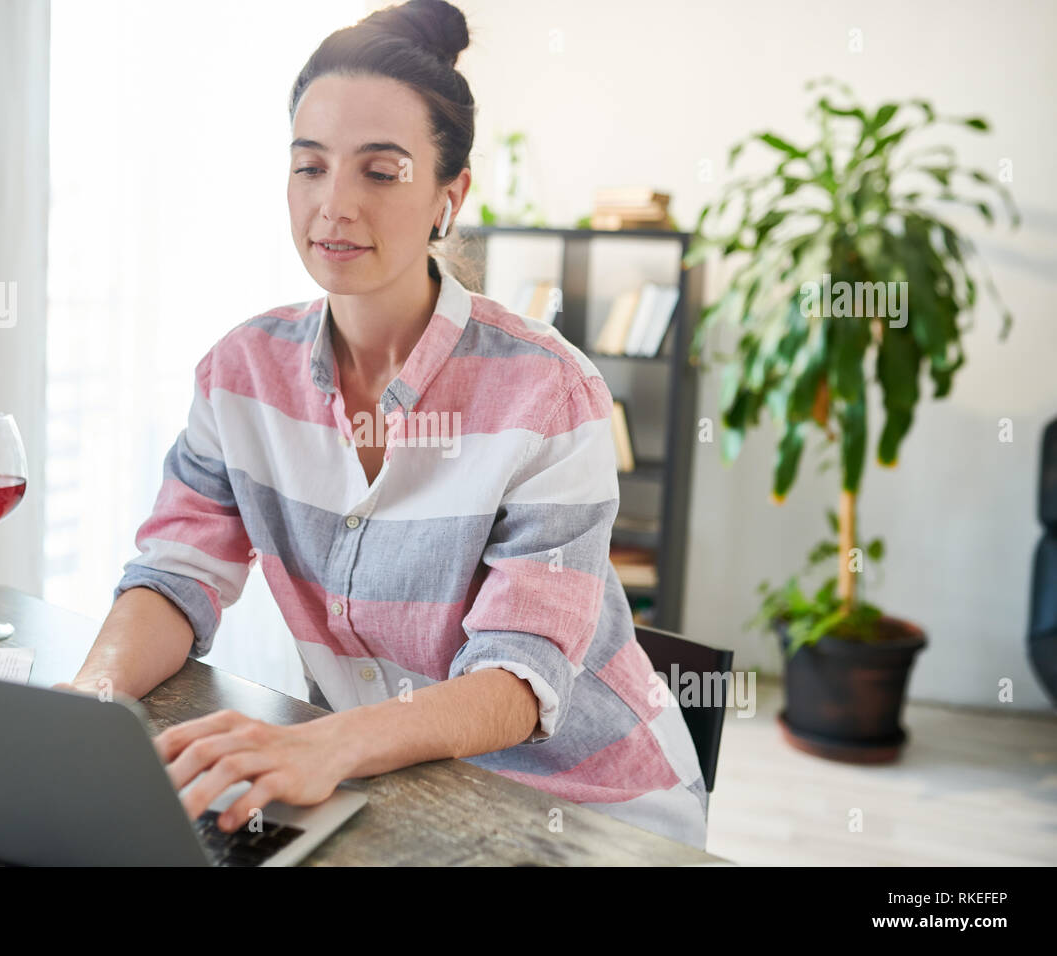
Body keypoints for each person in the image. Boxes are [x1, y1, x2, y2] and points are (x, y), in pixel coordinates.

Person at [59, 0, 708, 852]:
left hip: (587, 809)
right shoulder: (239, 374)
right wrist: (88, 706)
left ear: (450, 195)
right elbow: (175, 575)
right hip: (386, 783)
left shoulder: (549, 394)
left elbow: (519, 677)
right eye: (310, 166)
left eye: (381, 171)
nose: (335, 206)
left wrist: (320, 744)